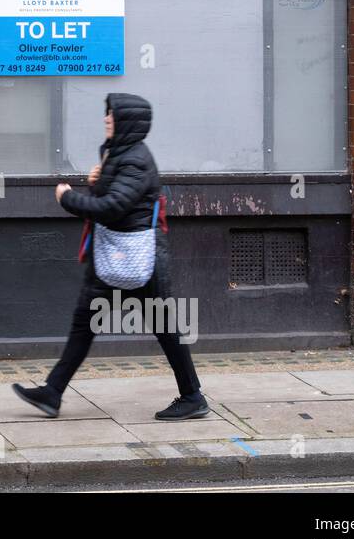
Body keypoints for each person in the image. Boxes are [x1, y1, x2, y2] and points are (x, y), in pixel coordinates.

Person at [12, 92, 209, 421]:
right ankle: (52, 392)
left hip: (141, 260)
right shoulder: (116, 154)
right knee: (84, 322)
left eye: (112, 115)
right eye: (107, 114)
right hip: (112, 255)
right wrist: (98, 181)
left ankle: (192, 397)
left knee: (166, 328)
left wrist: (68, 198)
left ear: (127, 122)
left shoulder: (136, 160)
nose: (106, 119)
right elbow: (112, 197)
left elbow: (112, 207)